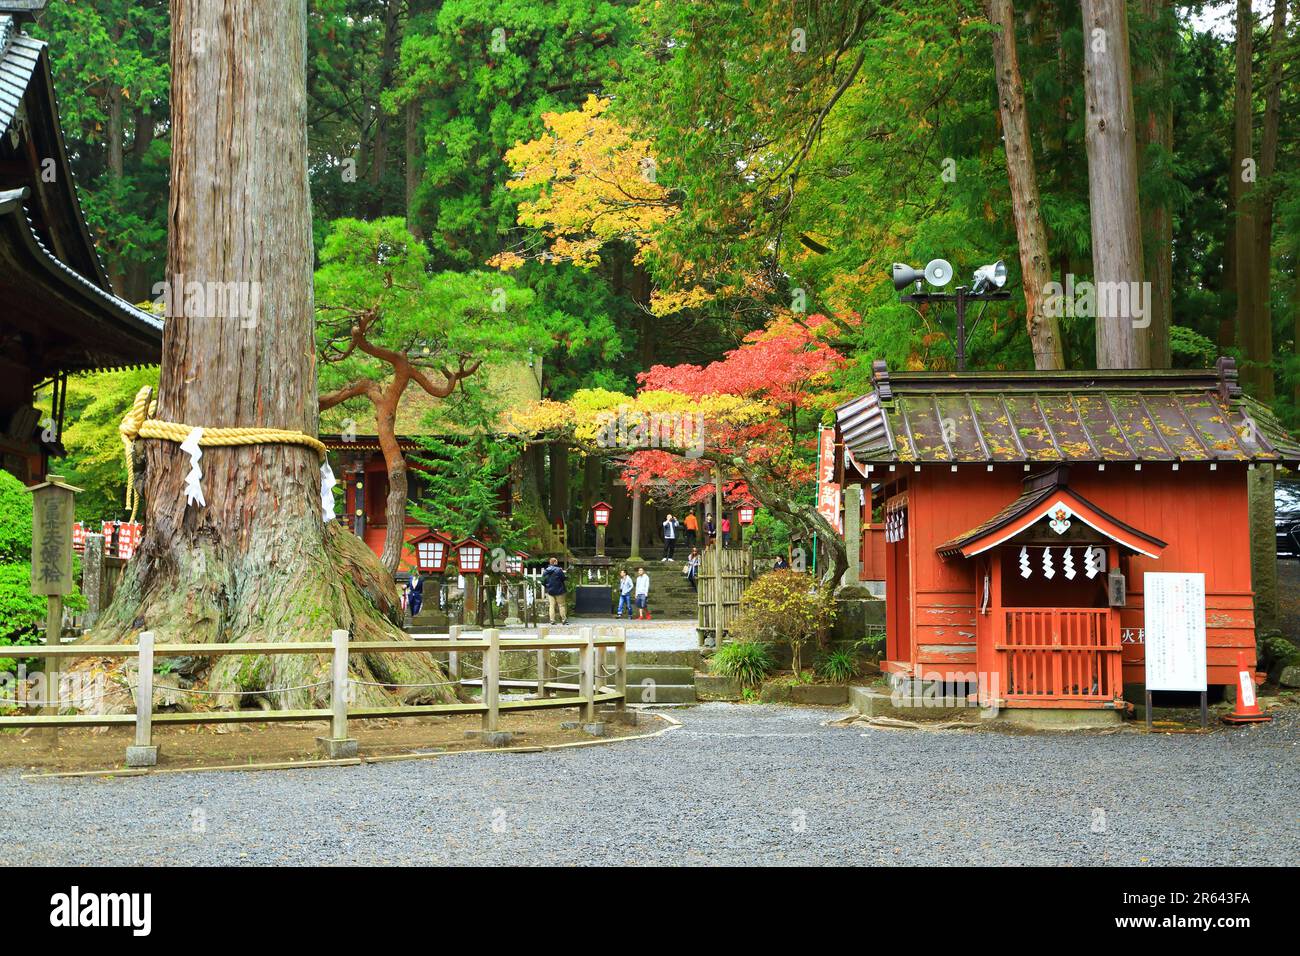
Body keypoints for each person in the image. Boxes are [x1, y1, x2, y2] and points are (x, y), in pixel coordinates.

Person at [541, 557, 568, 625]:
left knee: (551, 606)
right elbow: (563, 578)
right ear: (555, 562)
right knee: (561, 605)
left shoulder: (545, 571)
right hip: (559, 590)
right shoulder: (559, 570)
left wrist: (547, 586)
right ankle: (564, 620)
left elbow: (542, 581)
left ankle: (552, 620)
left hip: (550, 591)